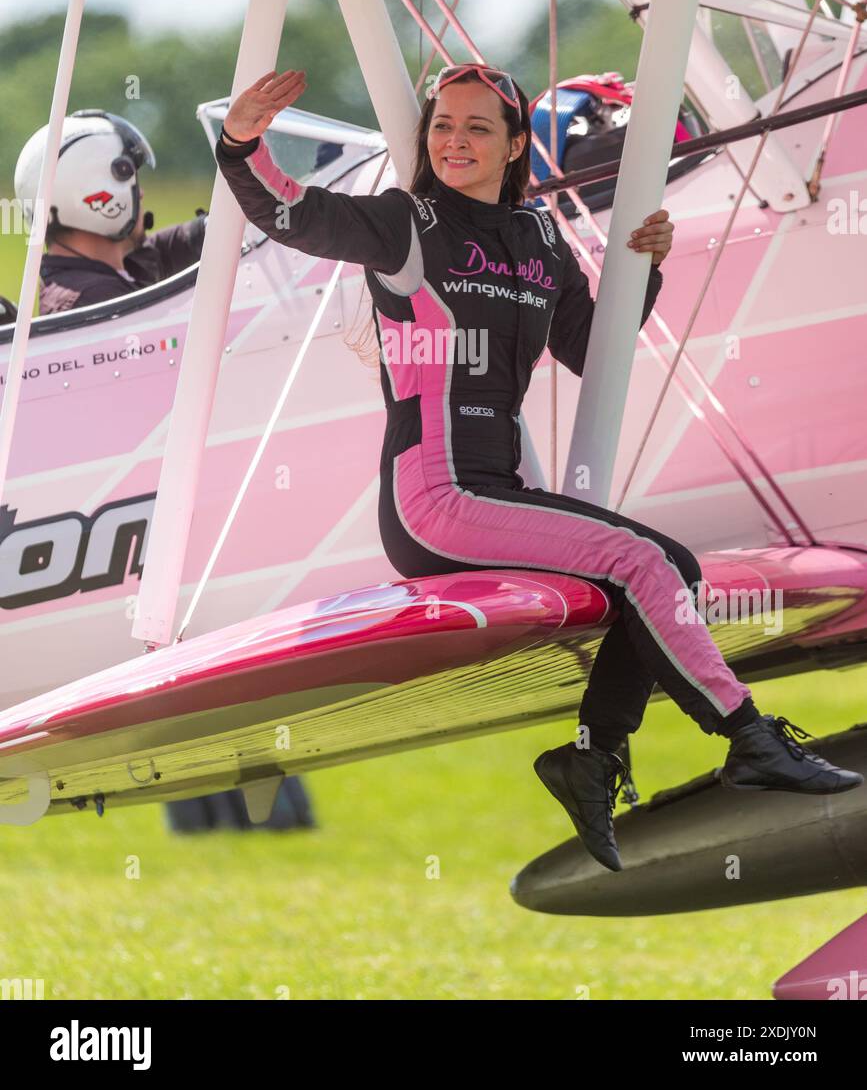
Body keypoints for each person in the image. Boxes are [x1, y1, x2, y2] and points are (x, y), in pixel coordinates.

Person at [215, 63, 862, 873]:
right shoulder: (402, 224)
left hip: (496, 489)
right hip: (434, 495)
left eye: (477, 127)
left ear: (516, 143)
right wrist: (242, 141)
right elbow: (291, 215)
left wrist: (644, 270)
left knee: (665, 573)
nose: (454, 140)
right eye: (442, 124)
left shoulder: (537, 239)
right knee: (646, 561)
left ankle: (590, 758)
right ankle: (749, 739)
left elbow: (592, 352)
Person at [14, 108, 315, 835]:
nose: (141, 195)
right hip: (141, 542)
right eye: (129, 175)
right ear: (99, 190)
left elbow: (217, 237)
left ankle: (248, 819)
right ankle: (233, 818)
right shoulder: (91, 304)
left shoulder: (118, 272)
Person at [14, 110, 206, 315]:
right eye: (131, 180)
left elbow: (167, 248)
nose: (141, 194)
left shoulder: (106, 274)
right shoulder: (97, 299)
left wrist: (216, 225)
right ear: (95, 193)